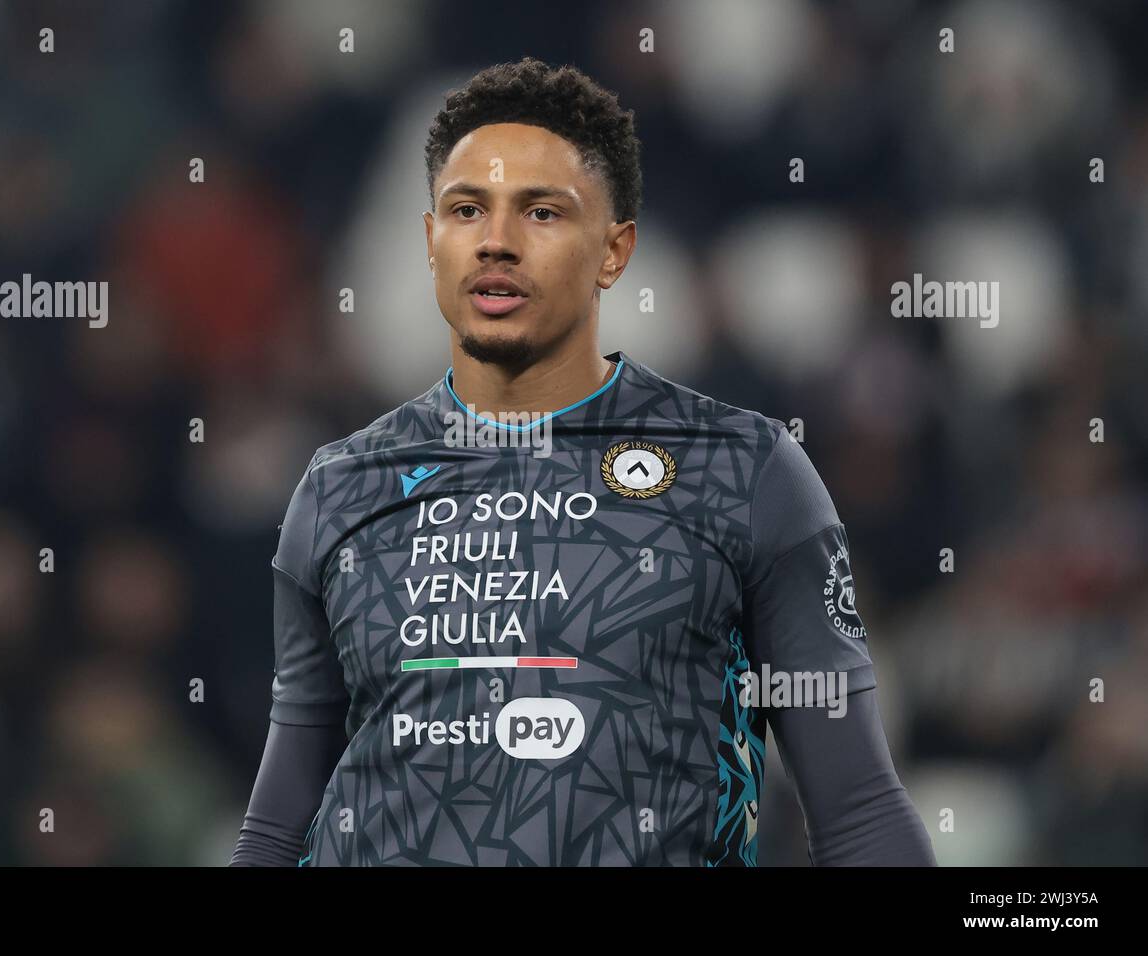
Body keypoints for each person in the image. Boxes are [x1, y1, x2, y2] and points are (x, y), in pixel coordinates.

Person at [230, 57, 935, 867]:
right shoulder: (339, 488)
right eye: (468, 210)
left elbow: (857, 811)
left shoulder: (745, 473)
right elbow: (278, 829)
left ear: (614, 250)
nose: (496, 242)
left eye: (541, 212)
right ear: (430, 242)